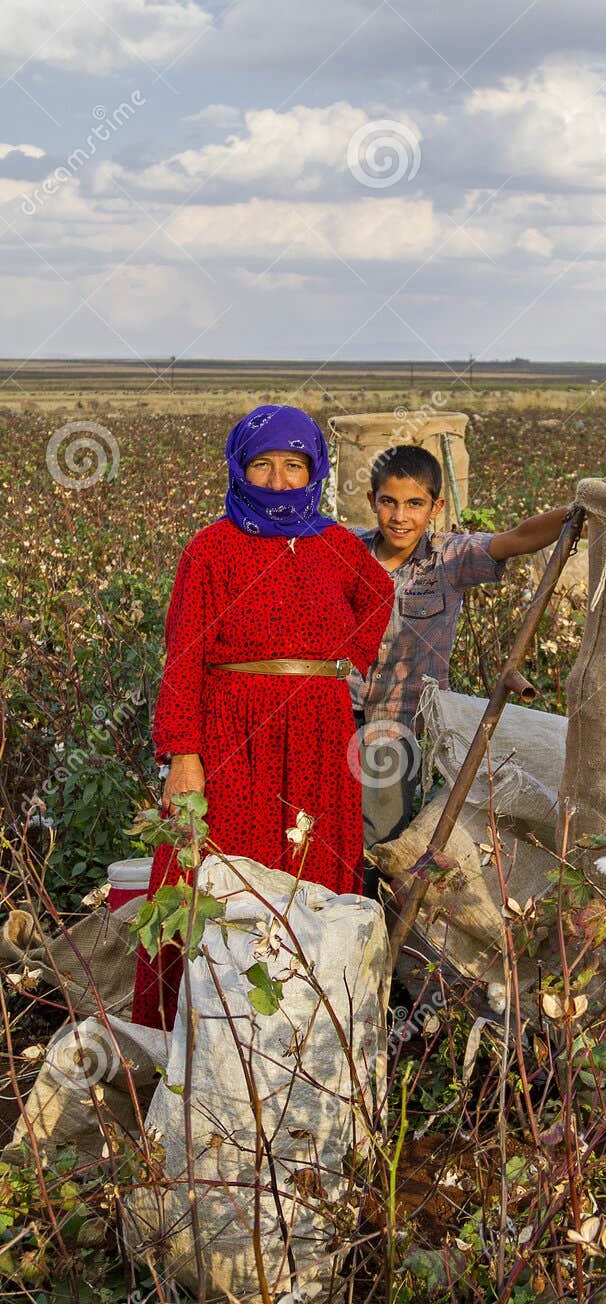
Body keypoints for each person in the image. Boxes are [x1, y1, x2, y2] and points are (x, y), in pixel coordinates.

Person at [130, 405, 394, 1031]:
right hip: (230, 736)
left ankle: (306, 1027)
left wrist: (341, 660)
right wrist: (183, 754)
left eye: (294, 465)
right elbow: (185, 654)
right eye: (263, 465)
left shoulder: (334, 545)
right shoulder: (212, 549)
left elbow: (378, 595)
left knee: (313, 873)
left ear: (314, 471)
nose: (279, 480)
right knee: (216, 875)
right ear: (240, 469)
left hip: (319, 733)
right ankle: (198, 1031)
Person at [349, 444, 571, 853]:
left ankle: (369, 908)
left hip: (401, 721)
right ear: (371, 501)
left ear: (435, 507)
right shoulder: (345, 553)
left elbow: (520, 537)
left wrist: (582, 509)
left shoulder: (450, 557)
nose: (400, 517)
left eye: (415, 504)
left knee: (377, 833)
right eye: (389, 503)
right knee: (323, 817)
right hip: (338, 710)